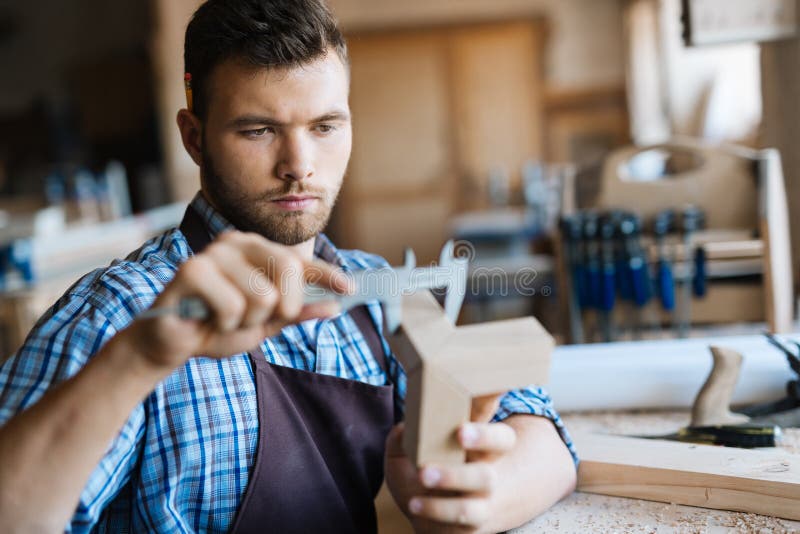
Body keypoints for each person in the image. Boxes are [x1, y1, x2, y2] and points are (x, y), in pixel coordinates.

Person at [0, 1, 577, 532]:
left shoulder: (374, 290)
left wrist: (482, 493)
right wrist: (136, 359)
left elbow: (535, 425)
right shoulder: (120, 312)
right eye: (259, 130)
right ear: (194, 138)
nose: (299, 165)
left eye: (325, 127)